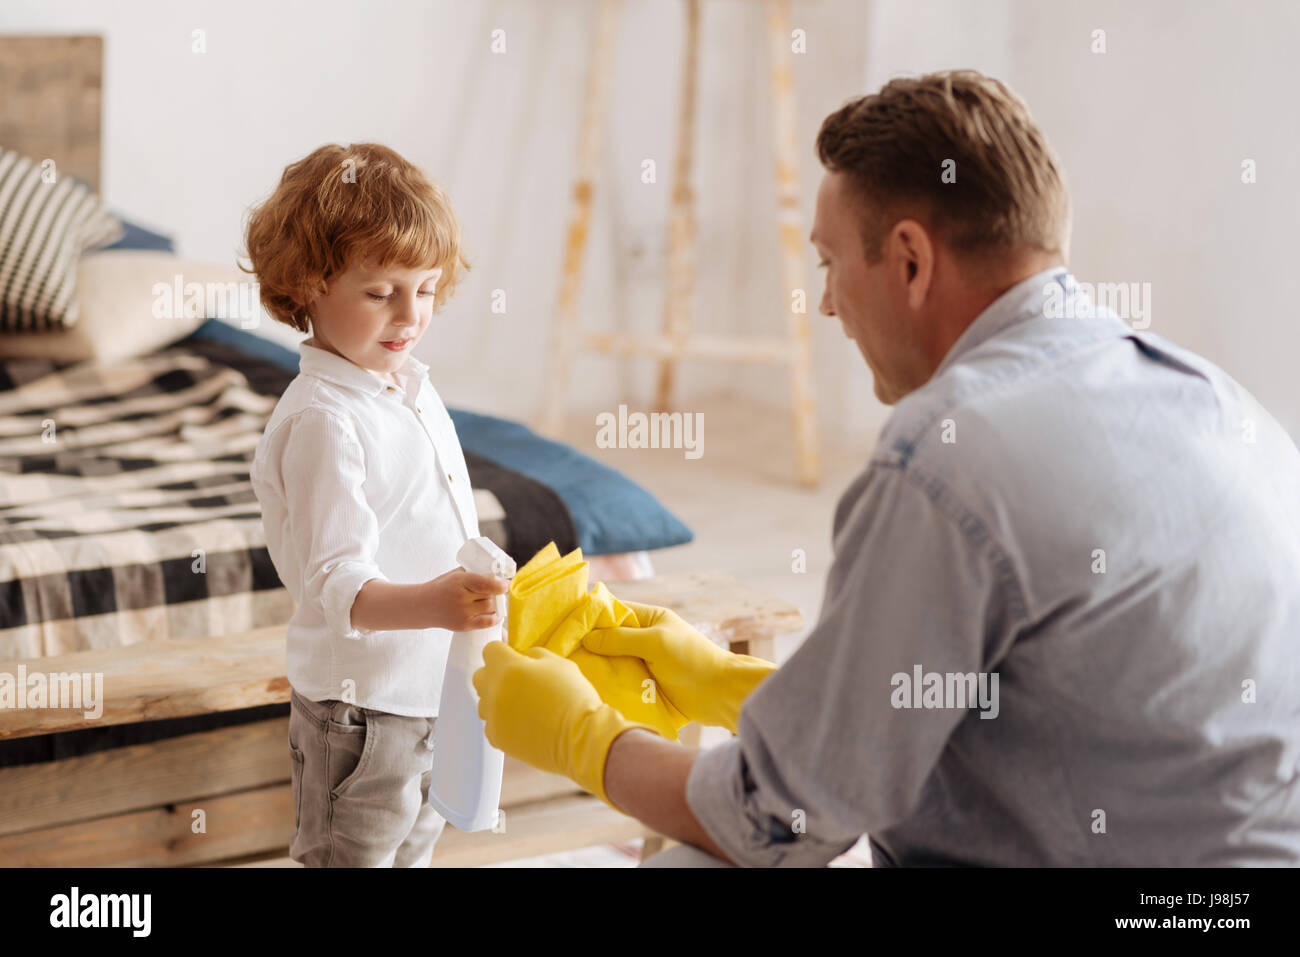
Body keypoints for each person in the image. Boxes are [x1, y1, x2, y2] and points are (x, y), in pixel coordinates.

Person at [473, 69, 1300, 867]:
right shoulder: (1219, 402)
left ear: (909, 258)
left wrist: (588, 740)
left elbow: (777, 825)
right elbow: (1015, 703)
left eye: (829, 263)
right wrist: (747, 690)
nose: (827, 303)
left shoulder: (946, 459)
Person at [246, 143, 508, 867]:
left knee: (418, 842)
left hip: (431, 685)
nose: (411, 314)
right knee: (351, 855)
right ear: (307, 286)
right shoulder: (326, 422)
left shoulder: (408, 386)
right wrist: (440, 604)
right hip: (359, 711)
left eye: (425, 289)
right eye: (380, 292)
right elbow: (339, 586)